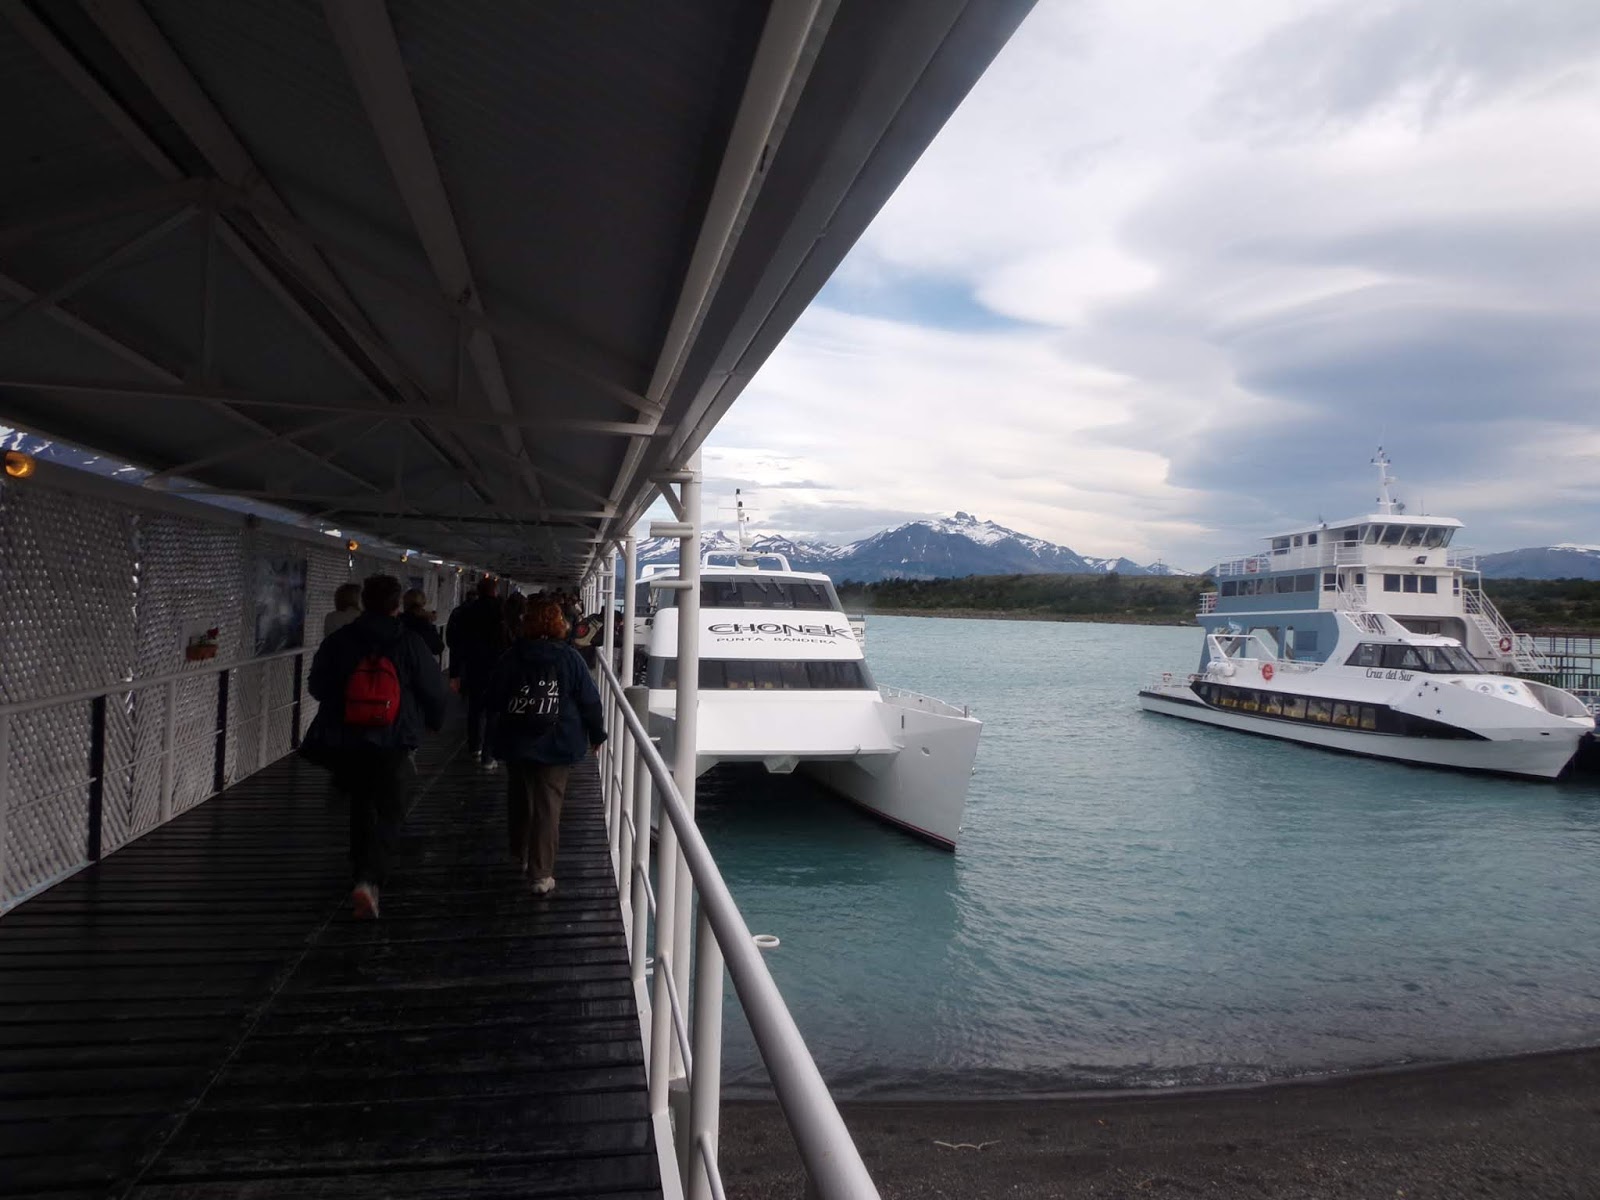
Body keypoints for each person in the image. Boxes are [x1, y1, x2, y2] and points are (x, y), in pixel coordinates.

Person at [305, 574, 449, 919]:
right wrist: (434, 721)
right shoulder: (410, 642)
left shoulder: (340, 640)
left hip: (348, 738)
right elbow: (433, 688)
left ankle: (359, 872)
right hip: (393, 738)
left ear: (364, 602)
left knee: (360, 805)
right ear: (396, 605)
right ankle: (370, 880)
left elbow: (317, 686)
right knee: (391, 810)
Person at [486, 598, 607, 896]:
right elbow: (590, 701)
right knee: (548, 805)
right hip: (558, 739)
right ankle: (541, 874)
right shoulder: (569, 657)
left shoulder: (511, 657)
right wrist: (597, 734)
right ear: (558, 625)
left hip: (516, 738)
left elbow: (493, 699)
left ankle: (520, 854)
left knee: (519, 797)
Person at [446, 577, 508, 768]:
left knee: (475, 708)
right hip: (497, 667)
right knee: (494, 711)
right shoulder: (501, 612)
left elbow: (456, 643)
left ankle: (475, 747)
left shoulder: (465, 611)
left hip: (472, 666)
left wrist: (454, 672)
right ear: (495, 591)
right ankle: (488, 756)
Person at [401, 588, 444, 657]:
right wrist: (430, 623)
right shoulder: (423, 623)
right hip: (417, 664)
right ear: (423, 603)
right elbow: (438, 648)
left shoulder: (399, 620)